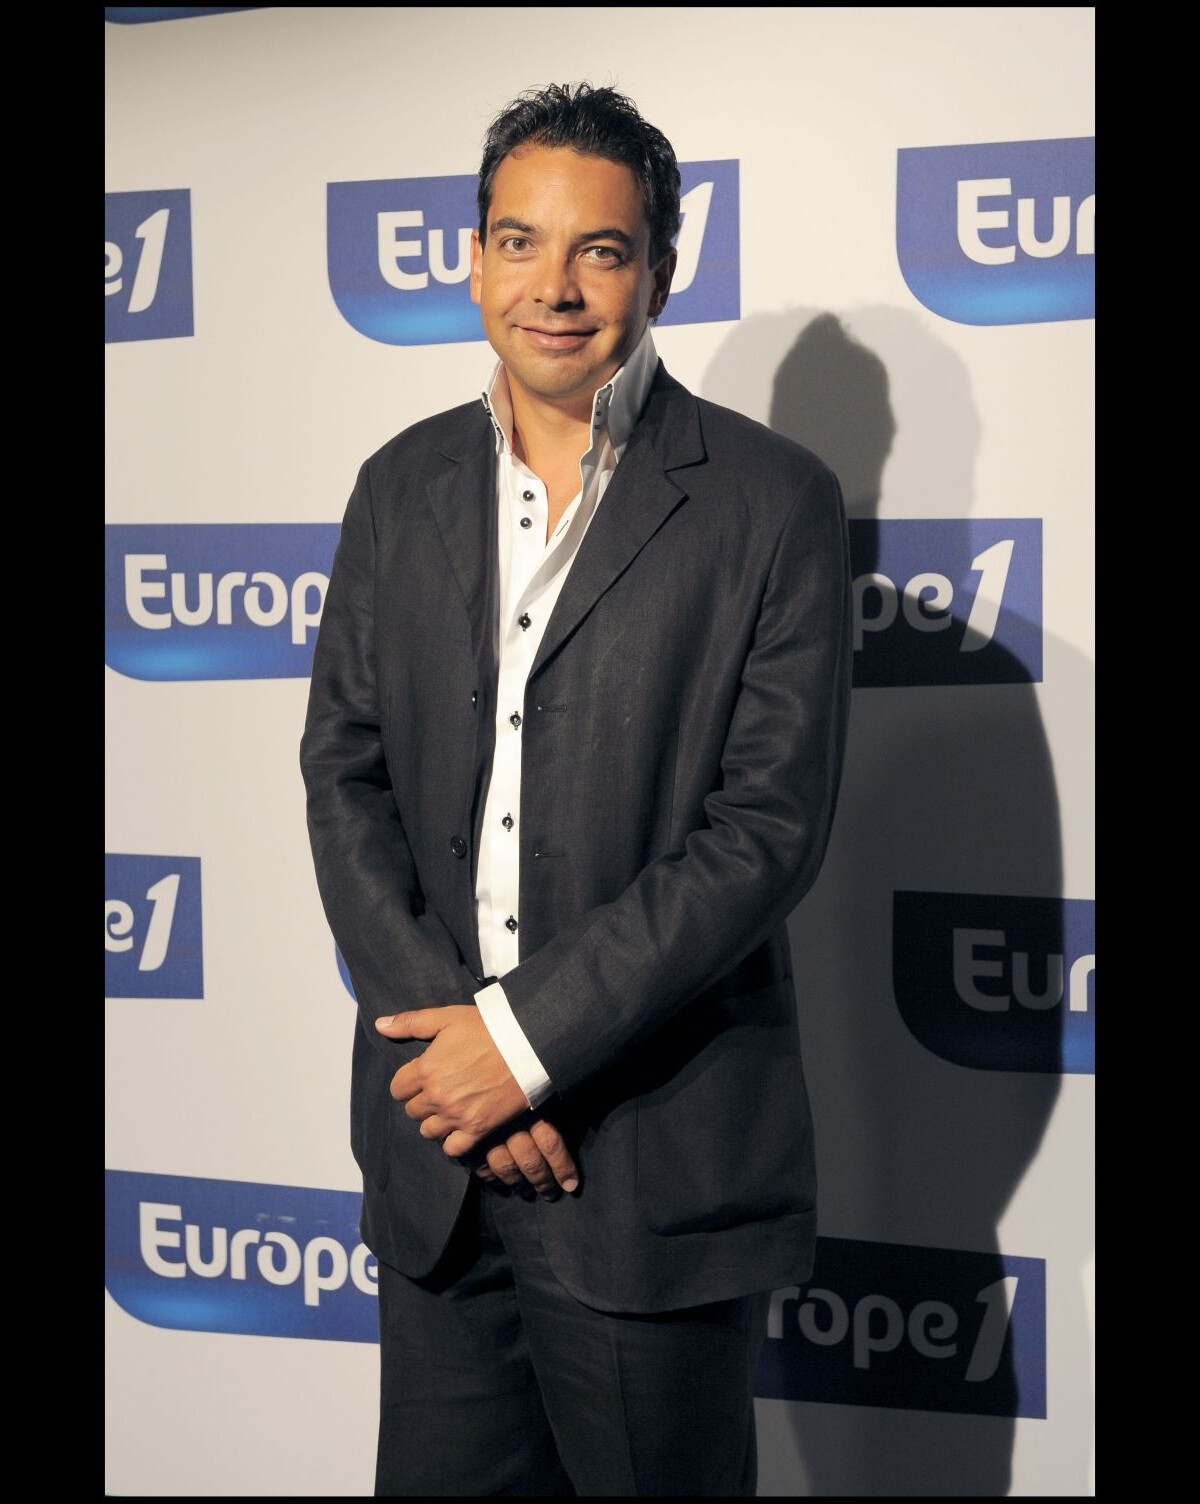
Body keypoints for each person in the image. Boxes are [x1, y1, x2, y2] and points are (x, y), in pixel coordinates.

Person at [301, 81, 852, 1498]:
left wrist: (526, 1049)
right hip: (437, 1164)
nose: (554, 286)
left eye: (600, 250)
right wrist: (460, 1073)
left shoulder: (770, 502)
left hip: (644, 1163)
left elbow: (764, 830)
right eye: (518, 240)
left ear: (659, 270)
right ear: (473, 256)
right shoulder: (396, 485)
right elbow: (343, 770)